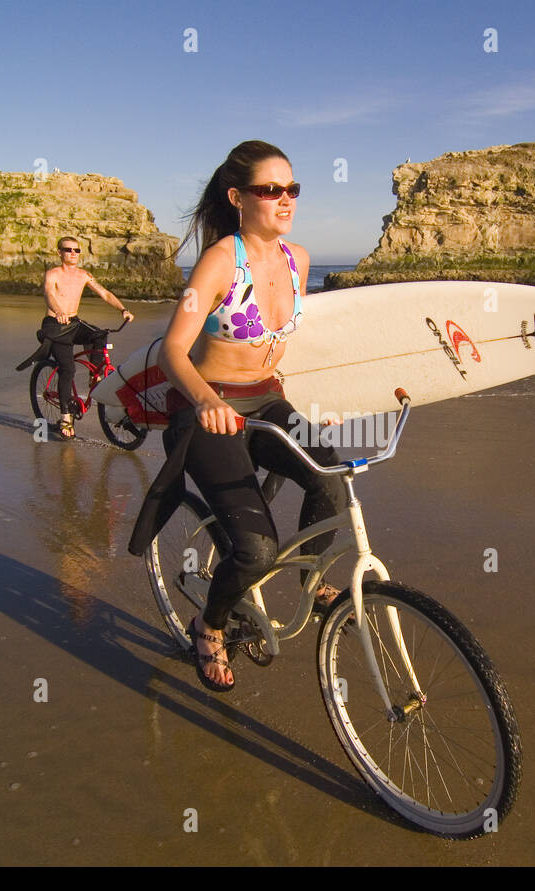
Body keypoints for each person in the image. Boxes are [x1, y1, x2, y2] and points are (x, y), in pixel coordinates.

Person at [127, 140, 345, 692]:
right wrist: (205, 400)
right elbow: (174, 350)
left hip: (268, 400)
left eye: (291, 188)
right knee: (256, 548)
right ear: (238, 197)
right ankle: (210, 624)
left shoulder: (299, 260)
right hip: (208, 406)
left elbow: (285, 344)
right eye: (270, 189)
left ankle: (313, 583)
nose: (285, 199)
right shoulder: (221, 260)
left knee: (332, 479)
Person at [42, 237, 134, 438]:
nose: (73, 253)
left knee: (99, 334)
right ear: (60, 253)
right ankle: (66, 418)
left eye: (77, 250)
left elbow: (104, 293)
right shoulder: (53, 274)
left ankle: (95, 377)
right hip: (55, 325)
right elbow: (49, 294)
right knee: (68, 369)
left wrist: (123, 309)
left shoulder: (83, 275)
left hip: (73, 323)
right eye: (68, 249)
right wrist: (58, 310)